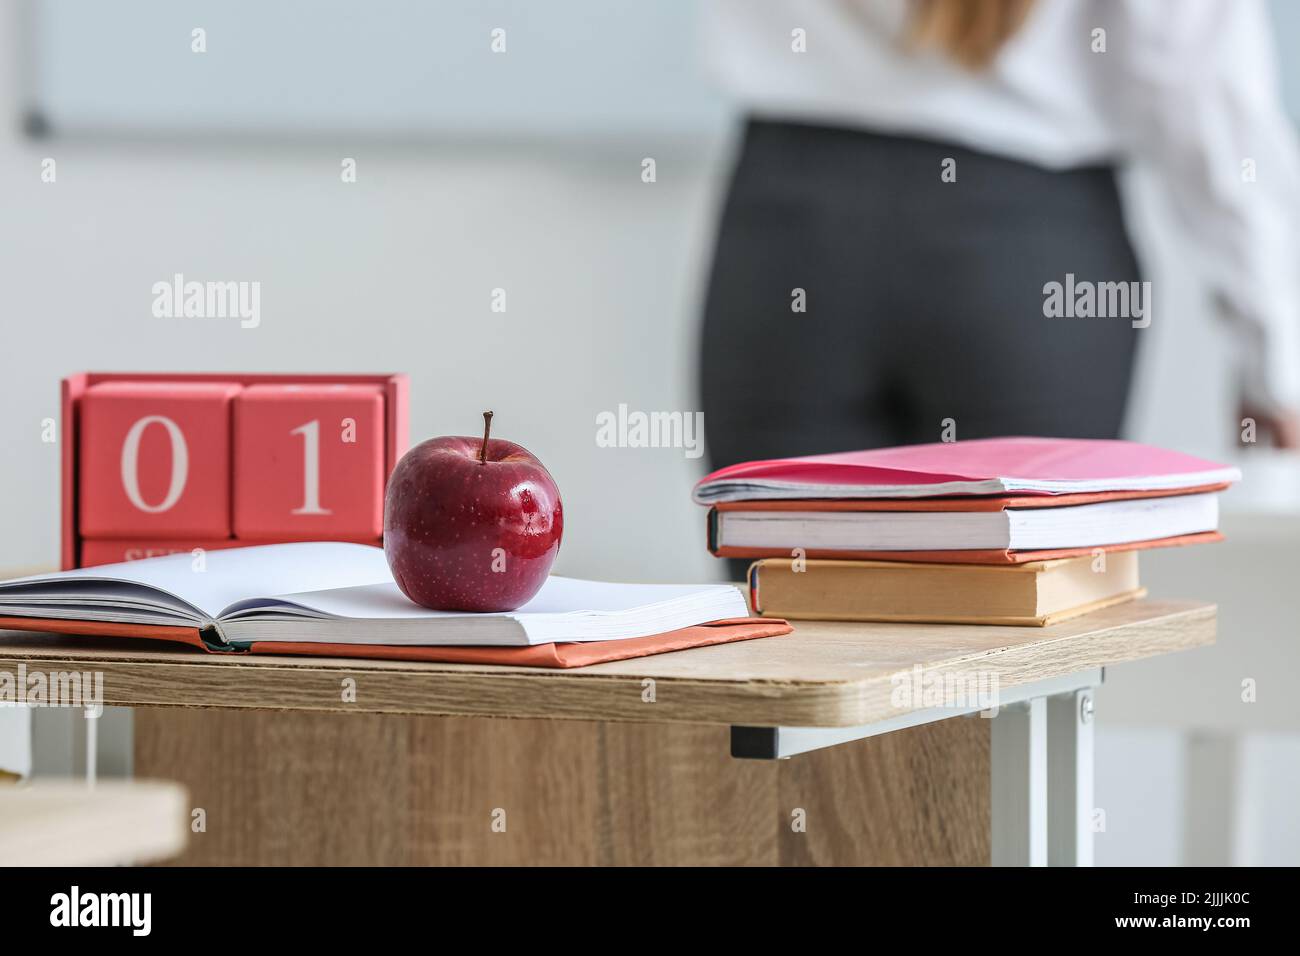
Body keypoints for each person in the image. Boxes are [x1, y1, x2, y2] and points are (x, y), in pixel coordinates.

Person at [699, 0, 1300, 474]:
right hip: (1030, 257)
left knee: (787, 612)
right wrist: (1273, 353)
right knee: (1031, 617)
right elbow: (1197, 77)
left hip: (788, 244)